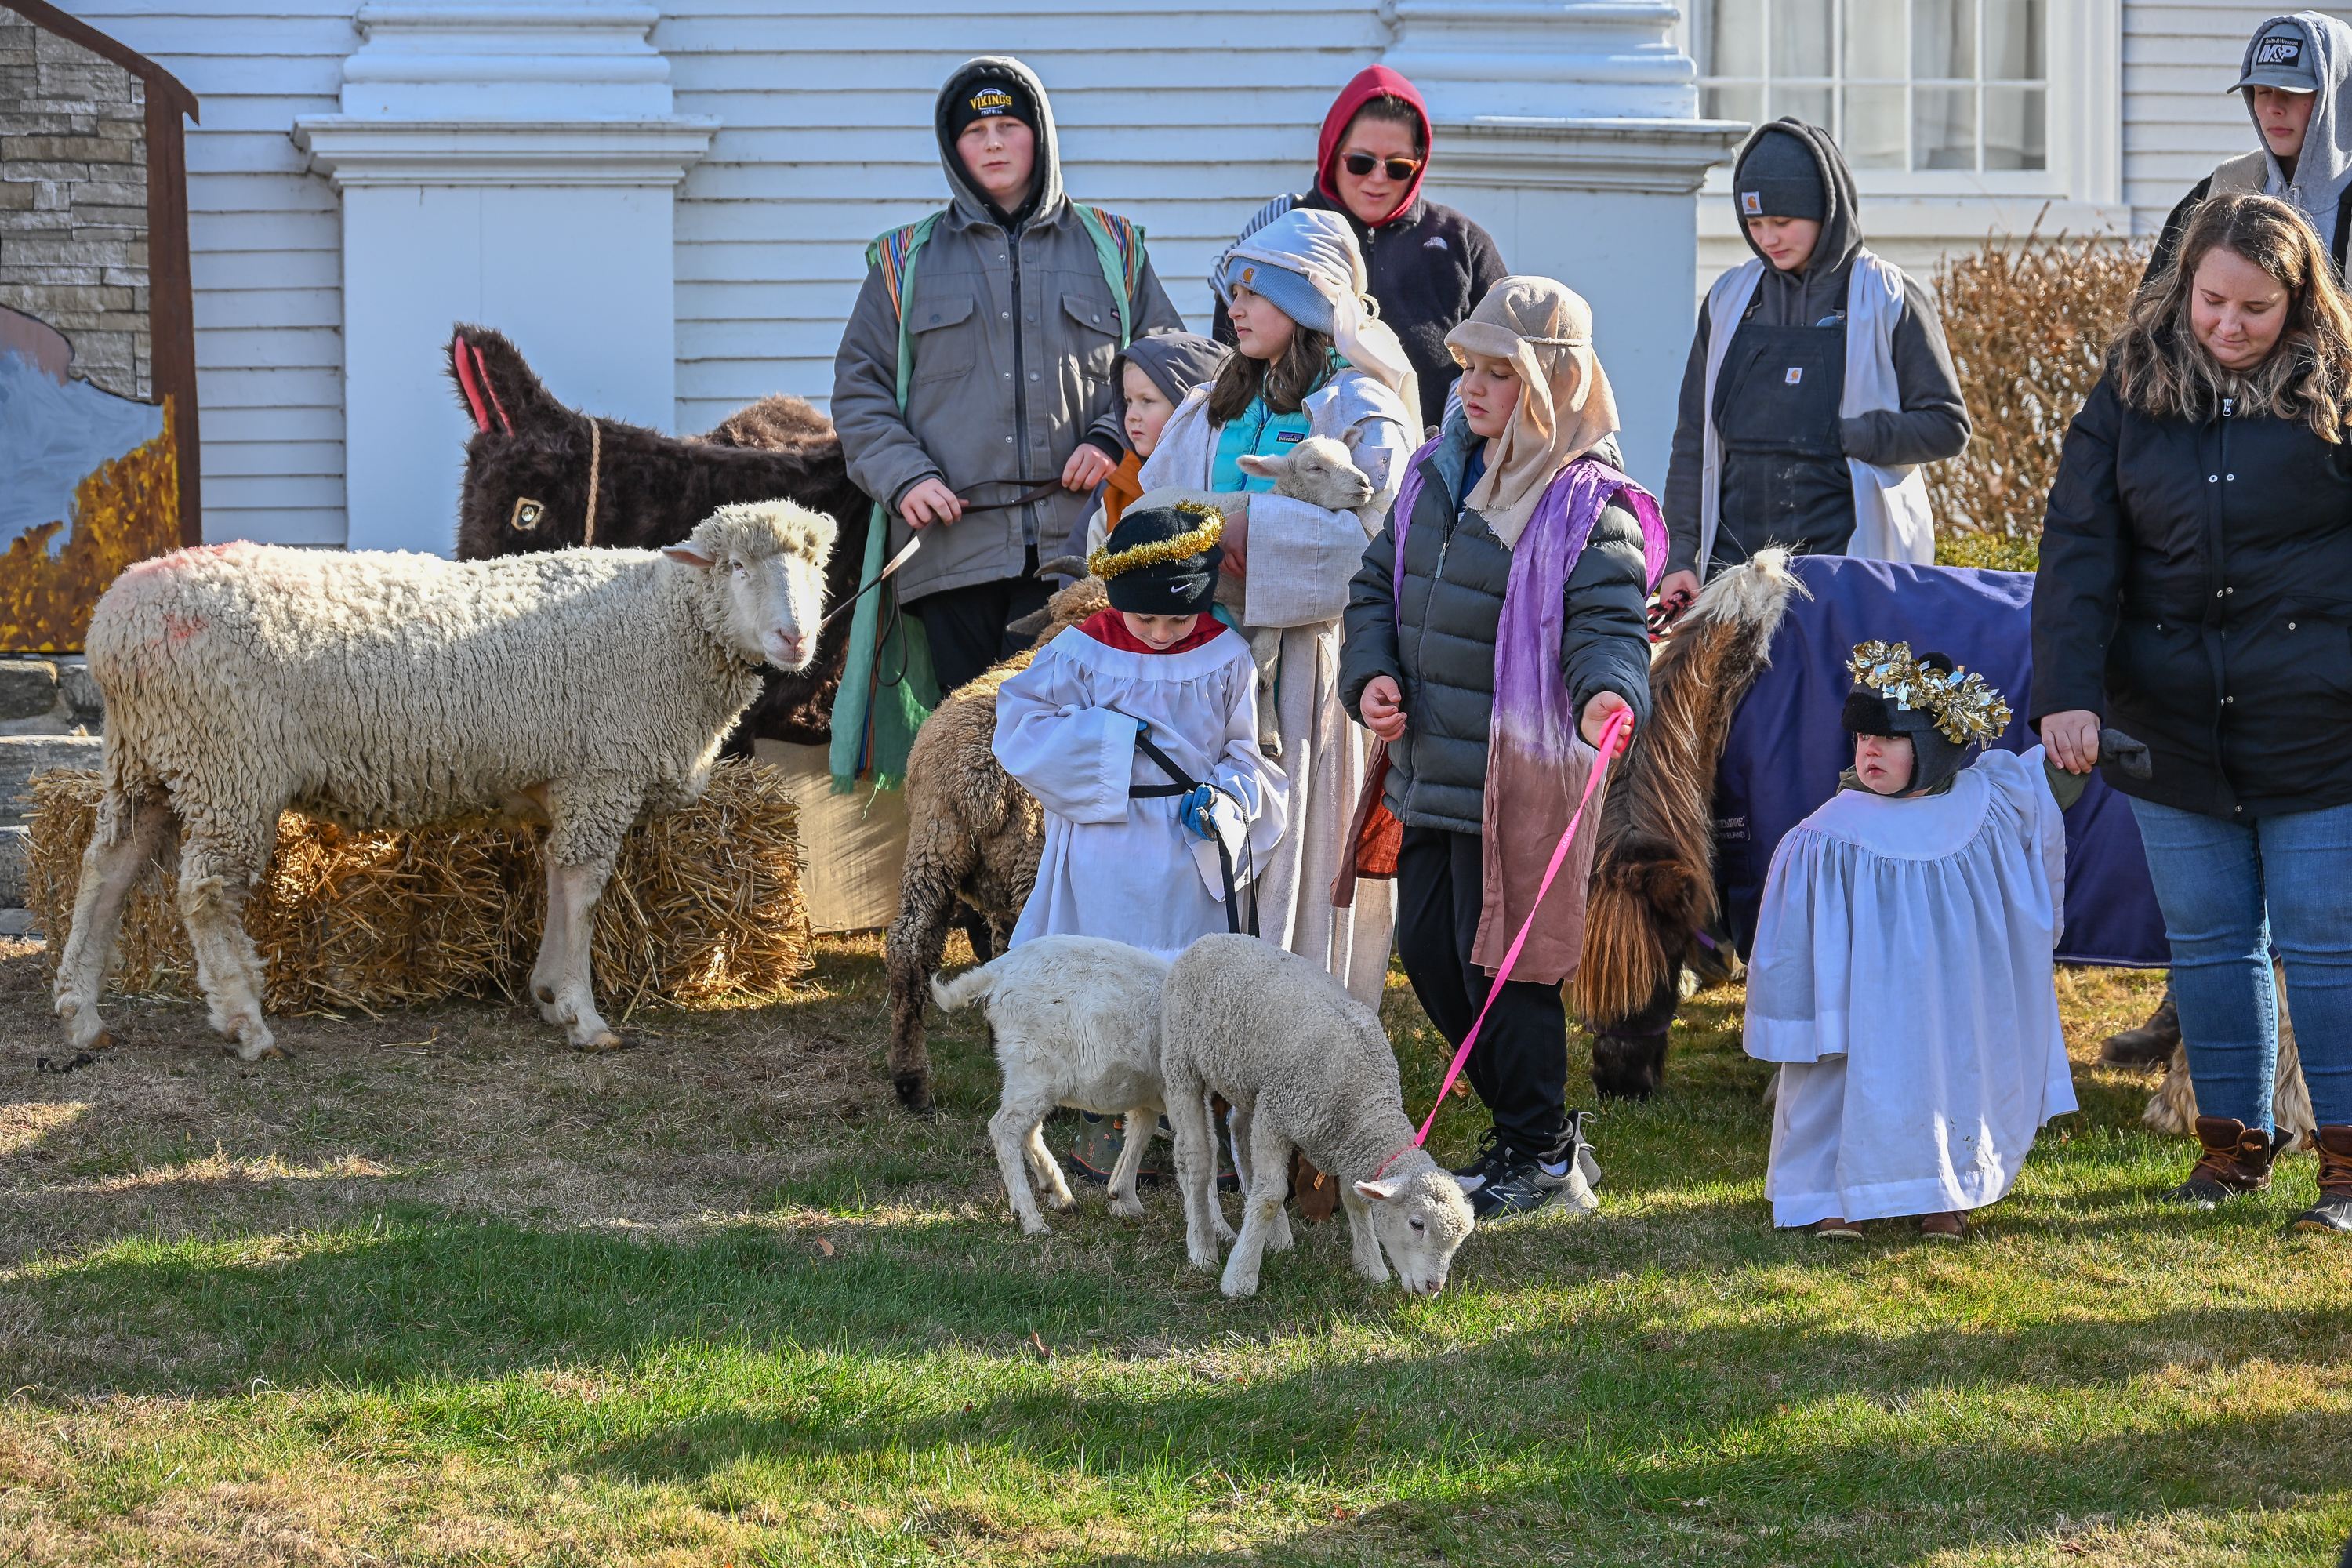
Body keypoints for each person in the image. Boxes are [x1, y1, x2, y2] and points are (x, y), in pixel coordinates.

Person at [2033, 191, 2352, 1232]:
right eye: (2213, 302)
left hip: (2320, 724)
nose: (2229, 326)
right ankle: (2233, 1155)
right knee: (2212, 943)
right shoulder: (2127, 390)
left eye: (2256, 310)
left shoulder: (2340, 393)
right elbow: (2078, 550)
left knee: (2324, 940)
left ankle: (2347, 1176)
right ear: (2185, 291)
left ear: (2300, 305)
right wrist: (2069, 694)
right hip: (2168, 722)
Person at [1338, 277, 1660, 1221]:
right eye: (1468, 368)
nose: (1471, 388)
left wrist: (1610, 691)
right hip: (1435, 764)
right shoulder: (1438, 471)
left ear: (1552, 383)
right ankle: (1534, 1131)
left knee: (1506, 966)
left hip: (1518, 779)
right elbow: (1372, 586)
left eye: (1498, 373)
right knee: (1430, 951)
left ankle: (1542, 1153)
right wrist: (1371, 674)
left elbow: (1611, 619)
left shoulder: (1585, 502)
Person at [833, 56, 1183, 696]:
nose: (993, 144)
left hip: (1085, 546)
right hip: (952, 556)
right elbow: (861, 392)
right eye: (974, 133)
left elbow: (1170, 367)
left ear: (1041, 134)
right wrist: (905, 476)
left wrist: (1111, 438)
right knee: (972, 754)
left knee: (1064, 748)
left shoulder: (1116, 247)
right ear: (953, 147)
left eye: (1009, 127)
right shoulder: (903, 259)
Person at [1140, 207, 1417, 1009]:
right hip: (1197, 655)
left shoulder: (1361, 407)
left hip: (1303, 673)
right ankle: (1192, 1038)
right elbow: (1156, 504)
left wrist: (1239, 527)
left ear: (1312, 303)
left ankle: (1286, 1037)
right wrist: (1189, 538)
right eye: (1234, 289)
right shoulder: (1210, 403)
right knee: (1196, 845)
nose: (1237, 305)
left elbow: (1376, 538)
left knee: (1286, 847)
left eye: (1259, 292)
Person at [1746, 644, 2080, 1240]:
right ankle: (1830, 1199)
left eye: (1891, 739)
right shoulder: (1830, 834)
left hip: (1950, 995)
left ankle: (1946, 1193)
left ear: (1936, 744)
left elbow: (2041, 793)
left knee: (1949, 1078)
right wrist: (1807, 1013)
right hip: (1863, 1001)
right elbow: (1799, 935)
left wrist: (2080, 759)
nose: (1870, 750)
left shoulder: (1986, 805)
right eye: (1862, 738)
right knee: (1840, 1084)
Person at [1657, 119, 1969, 614]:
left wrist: (1846, 435)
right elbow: (1694, 438)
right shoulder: (1729, 300)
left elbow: (1948, 426)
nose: (1768, 240)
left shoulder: (1887, 297)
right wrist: (1680, 555)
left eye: (1782, 223)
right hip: (1730, 575)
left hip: (1848, 572)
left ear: (1826, 208)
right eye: (1755, 225)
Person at [992, 500, 1286, 956]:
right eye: (1145, 618)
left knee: (1183, 982)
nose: (1162, 634)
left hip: (1188, 853)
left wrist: (1225, 799)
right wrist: (1108, 743)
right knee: (1103, 975)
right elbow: (1021, 728)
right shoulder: (1080, 655)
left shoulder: (1226, 658)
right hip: (1101, 851)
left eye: (1179, 619)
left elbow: (1245, 755)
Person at [1213, 66, 1507, 434]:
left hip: (1438, 470)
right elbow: (1228, 346)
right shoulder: (1279, 227)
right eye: (1361, 163)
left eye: (1398, 167)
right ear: (1333, 152)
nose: (1377, 178)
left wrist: (1448, 457)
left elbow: (1506, 362)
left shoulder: (1462, 243)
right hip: (1286, 461)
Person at [2148, 13, 2352, 284]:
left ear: (2336, 94)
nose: (2273, 108)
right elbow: (2158, 313)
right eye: (2262, 91)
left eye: (2293, 91)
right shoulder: (2222, 186)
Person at [1080, 331, 1229, 555]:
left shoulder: (1221, 482)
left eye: (1147, 401)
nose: (1131, 415)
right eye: (1128, 401)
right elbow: (1081, 575)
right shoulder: (1116, 489)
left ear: (1189, 407)